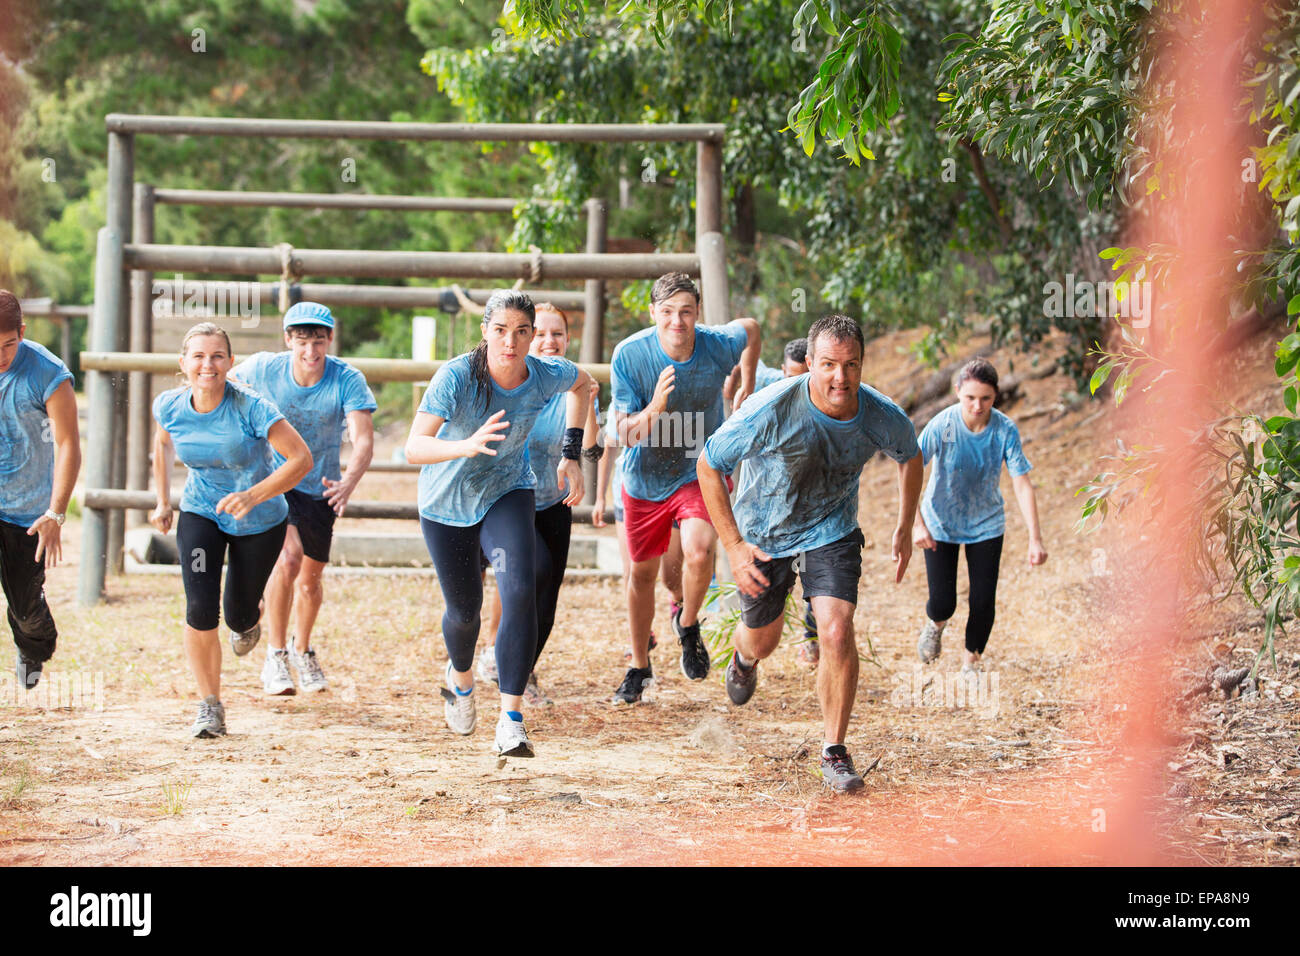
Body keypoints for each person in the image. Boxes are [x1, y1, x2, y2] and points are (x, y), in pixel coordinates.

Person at [697, 314, 923, 793]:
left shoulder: (879, 414)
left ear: (862, 365)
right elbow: (708, 464)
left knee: (836, 629)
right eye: (827, 365)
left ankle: (834, 751)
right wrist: (735, 547)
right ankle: (744, 658)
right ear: (810, 364)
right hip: (765, 531)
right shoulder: (771, 407)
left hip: (832, 529)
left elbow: (910, 455)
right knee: (763, 640)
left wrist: (904, 526)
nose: (839, 377)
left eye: (850, 365)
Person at [406, 290, 596, 758]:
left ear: (532, 336)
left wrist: (572, 455)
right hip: (447, 502)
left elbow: (585, 385)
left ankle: (511, 719)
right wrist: (464, 445)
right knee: (465, 612)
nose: (510, 342)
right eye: (500, 330)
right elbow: (414, 447)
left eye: (521, 332)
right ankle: (461, 678)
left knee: (519, 590)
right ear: (485, 331)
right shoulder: (456, 377)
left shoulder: (545, 373)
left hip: (507, 492)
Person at [150, 322, 313, 738]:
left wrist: (253, 496)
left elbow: (300, 459)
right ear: (183, 363)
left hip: (259, 521)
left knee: (238, 614)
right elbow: (163, 445)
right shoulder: (169, 405)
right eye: (199, 356)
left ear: (230, 362)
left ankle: (248, 617)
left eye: (217, 356)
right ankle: (210, 706)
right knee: (201, 609)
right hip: (201, 512)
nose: (208, 364)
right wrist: (163, 500)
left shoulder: (250, 407)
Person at [609, 272, 760, 703]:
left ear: (698, 313)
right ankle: (640, 666)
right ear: (653, 312)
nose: (678, 321)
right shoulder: (630, 355)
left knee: (698, 549)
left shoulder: (716, 343)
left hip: (699, 468)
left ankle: (689, 625)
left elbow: (751, 329)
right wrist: (655, 406)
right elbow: (622, 434)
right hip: (646, 477)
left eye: (687, 312)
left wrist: (745, 383)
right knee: (643, 575)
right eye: (668, 312)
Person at [231, 302, 377, 696]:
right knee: (288, 559)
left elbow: (363, 438)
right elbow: (219, 387)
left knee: (310, 580)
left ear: (330, 340)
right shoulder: (262, 369)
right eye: (301, 342)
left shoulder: (346, 378)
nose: (310, 351)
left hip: (320, 485)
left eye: (317, 342)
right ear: (287, 341)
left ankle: (302, 649)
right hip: (273, 480)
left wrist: (349, 481)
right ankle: (275, 656)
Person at [473, 302, 601, 703]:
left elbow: (593, 451)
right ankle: (494, 656)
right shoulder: (508, 377)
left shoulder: (574, 384)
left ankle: (522, 670)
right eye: (539, 333)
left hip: (553, 501)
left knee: (547, 597)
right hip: (504, 497)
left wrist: (590, 406)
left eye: (557, 334)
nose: (549, 341)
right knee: (532, 572)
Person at [914, 358, 1047, 672]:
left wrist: (1035, 539)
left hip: (986, 523)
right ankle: (936, 624)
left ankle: (970, 664)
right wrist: (915, 524)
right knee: (944, 602)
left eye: (985, 398)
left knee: (983, 601)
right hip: (940, 523)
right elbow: (911, 471)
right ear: (958, 391)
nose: (977, 405)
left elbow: (1021, 482)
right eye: (970, 397)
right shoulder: (942, 425)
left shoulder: (1004, 429)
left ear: (996, 396)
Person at [0, 291, 80, 690]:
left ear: (22, 333)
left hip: (25, 513)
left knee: (26, 613)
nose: (0, 356)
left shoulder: (47, 372)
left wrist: (55, 513)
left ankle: (32, 647)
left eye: (8, 345)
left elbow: (68, 444)